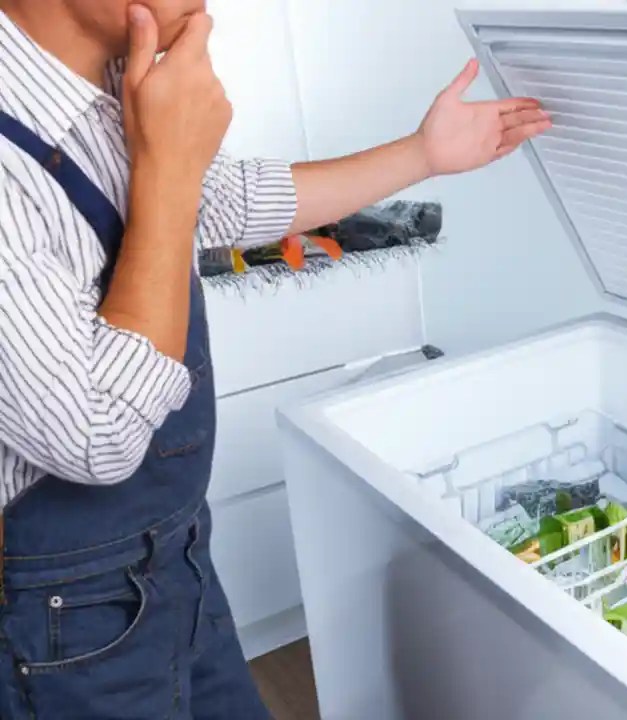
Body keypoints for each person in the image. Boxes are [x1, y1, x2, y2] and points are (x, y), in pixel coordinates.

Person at [0, 0, 550, 717]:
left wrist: (425, 153)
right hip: (63, 610)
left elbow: (227, 200)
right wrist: (167, 164)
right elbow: (96, 435)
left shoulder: (111, 85)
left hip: (173, 553)